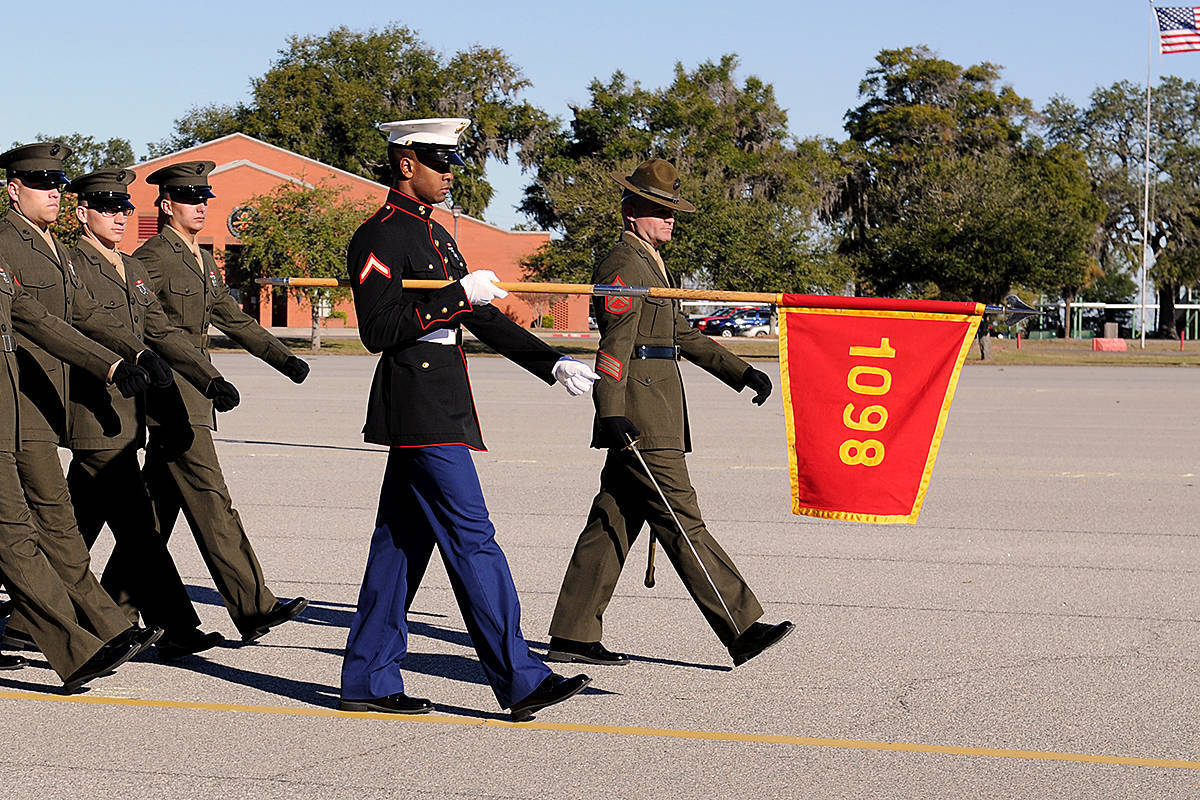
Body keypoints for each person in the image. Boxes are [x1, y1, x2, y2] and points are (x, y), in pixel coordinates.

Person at [341, 117, 598, 721]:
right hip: (418, 406)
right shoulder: (379, 236)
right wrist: (455, 295)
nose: (451, 173)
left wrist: (551, 362)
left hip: (441, 403)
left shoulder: (437, 235)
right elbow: (379, 330)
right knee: (472, 539)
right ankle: (520, 677)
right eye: (440, 162)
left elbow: (481, 317)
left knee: (399, 548)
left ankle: (368, 676)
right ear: (406, 164)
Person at [546, 158, 794, 668]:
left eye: (673, 211)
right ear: (632, 211)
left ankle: (573, 632)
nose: (670, 220)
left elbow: (679, 333)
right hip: (639, 414)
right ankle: (741, 626)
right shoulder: (622, 264)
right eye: (660, 211)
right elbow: (615, 344)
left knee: (611, 518)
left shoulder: (650, 262)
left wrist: (740, 372)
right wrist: (610, 410)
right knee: (682, 519)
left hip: (654, 408)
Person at [0, 142, 174, 655]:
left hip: (40, 399)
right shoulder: (7, 242)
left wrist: (136, 354)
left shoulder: (50, 246)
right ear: (14, 190)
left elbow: (83, 314)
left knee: (56, 522)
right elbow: (38, 321)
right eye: (40, 184)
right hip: (19, 397)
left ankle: (106, 630)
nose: (52, 192)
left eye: (57, 182)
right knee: (28, 528)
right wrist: (113, 364)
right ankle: (76, 632)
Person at [132, 161, 307, 642]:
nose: (202, 206)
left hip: (194, 394)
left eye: (206, 198)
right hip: (176, 394)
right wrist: (202, 376)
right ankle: (253, 607)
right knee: (212, 502)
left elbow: (234, 317)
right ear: (167, 206)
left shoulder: (203, 259)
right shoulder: (152, 257)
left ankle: (117, 616)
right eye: (192, 198)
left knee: (150, 519)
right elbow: (143, 322)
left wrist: (282, 357)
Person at [65, 168, 235, 659]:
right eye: (107, 208)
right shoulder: (73, 264)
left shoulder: (129, 268)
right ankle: (172, 625)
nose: (120, 215)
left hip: (129, 413)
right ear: (81, 214)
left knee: (76, 523)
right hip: (93, 407)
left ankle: (32, 620)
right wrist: (131, 361)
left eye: (124, 207)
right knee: (131, 526)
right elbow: (75, 327)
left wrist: (207, 378)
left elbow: (160, 331)